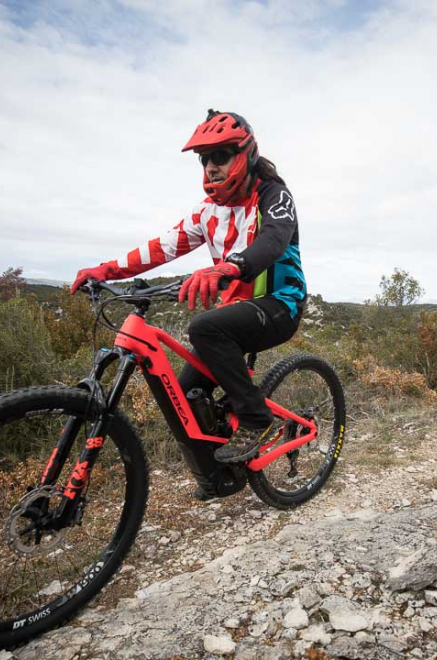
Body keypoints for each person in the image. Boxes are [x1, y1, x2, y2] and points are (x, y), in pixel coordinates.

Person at [70, 109, 306, 494]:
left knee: (202, 327)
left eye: (221, 155)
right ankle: (219, 479)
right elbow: (161, 248)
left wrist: (231, 268)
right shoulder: (207, 211)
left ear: (244, 154)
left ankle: (255, 417)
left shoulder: (273, 195)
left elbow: (273, 240)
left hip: (281, 304)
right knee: (181, 396)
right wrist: (107, 270)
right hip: (235, 311)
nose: (211, 166)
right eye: (204, 158)